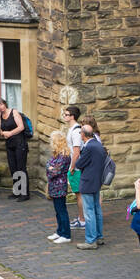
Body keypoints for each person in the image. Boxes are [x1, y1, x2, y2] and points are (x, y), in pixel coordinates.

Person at [74, 117, 106, 249]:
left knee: (89, 212)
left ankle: (90, 241)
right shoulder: (98, 144)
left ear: (84, 135)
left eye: (81, 133)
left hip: (88, 182)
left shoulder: (88, 147)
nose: (80, 135)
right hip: (96, 181)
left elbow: (79, 164)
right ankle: (99, 236)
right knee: (97, 210)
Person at [0, 98, 29, 201]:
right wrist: (2, 132)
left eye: (1, 105)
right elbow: (0, 128)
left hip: (20, 143)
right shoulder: (0, 115)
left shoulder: (14, 112)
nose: (0, 107)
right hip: (9, 144)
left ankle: (25, 194)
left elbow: (21, 127)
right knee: (13, 168)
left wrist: (10, 133)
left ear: (5, 104)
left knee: (21, 168)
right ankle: (17, 191)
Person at [45, 130, 73, 243]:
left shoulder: (64, 156)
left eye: (52, 140)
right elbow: (48, 164)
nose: (50, 142)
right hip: (54, 186)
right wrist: (50, 167)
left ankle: (66, 235)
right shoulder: (57, 155)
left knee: (62, 210)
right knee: (57, 210)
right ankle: (60, 231)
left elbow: (55, 171)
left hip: (59, 186)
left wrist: (51, 168)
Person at [62, 106, 83, 229]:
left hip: (76, 168)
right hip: (74, 167)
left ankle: (83, 220)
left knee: (79, 194)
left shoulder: (76, 131)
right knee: (78, 194)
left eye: (66, 114)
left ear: (72, 117)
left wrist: (72, 167)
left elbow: (76, 152)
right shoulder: (71, 129)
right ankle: (81, 218)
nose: (64, 116)